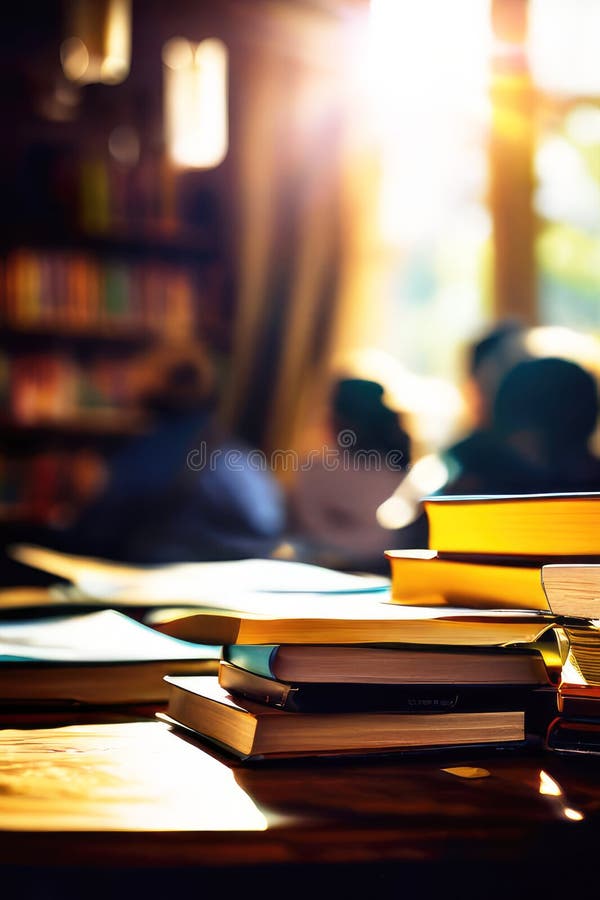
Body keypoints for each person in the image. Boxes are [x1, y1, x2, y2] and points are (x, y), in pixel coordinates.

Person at [48, 347, 286, 564]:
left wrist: (89, 492)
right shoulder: (231, 450)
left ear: (157, 383)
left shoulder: (157, 449)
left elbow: (99, 532)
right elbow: (268, 522)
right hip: (241, 569)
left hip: (170, 573)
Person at [288, 378, 411, 572]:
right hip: (381, 570)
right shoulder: (399, 473)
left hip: (321, 568)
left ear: (335, 419)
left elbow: (308, 530)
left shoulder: (318, 472)